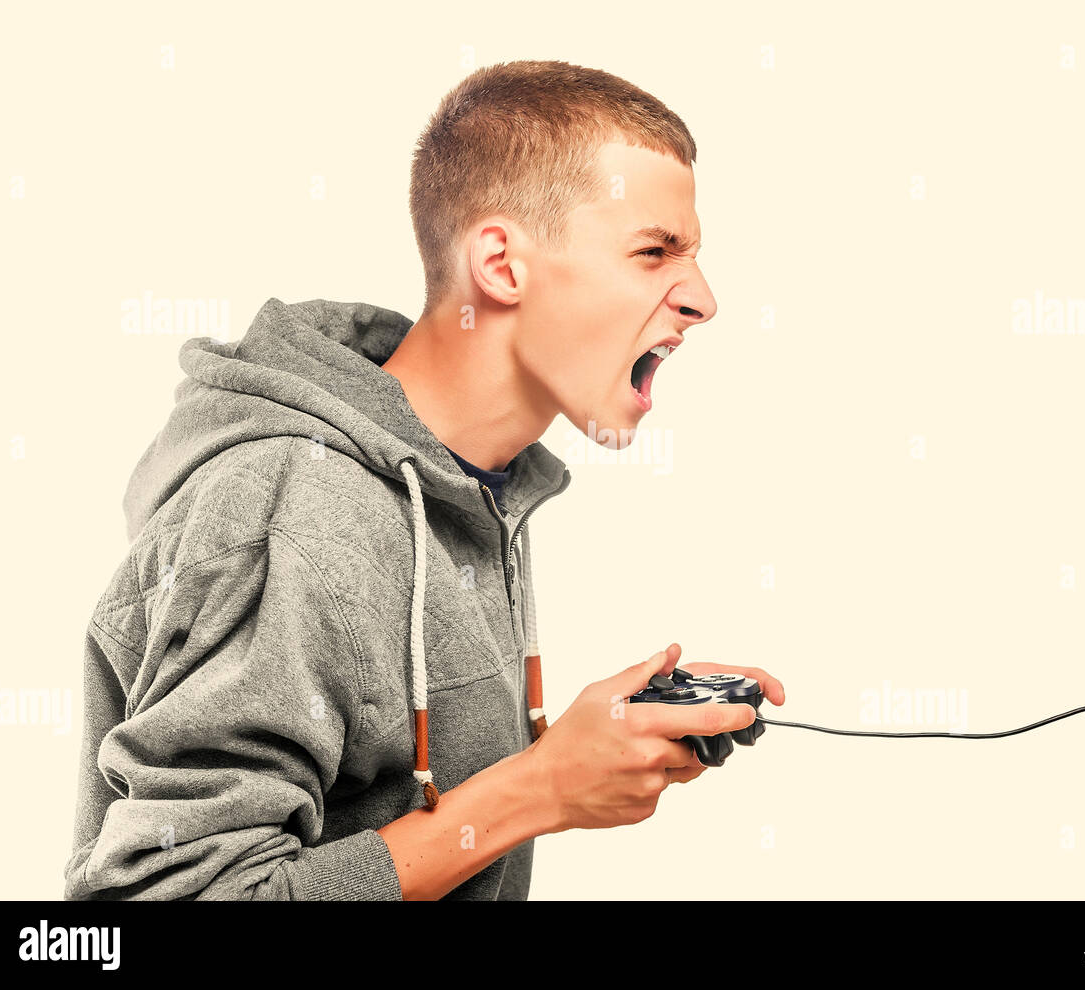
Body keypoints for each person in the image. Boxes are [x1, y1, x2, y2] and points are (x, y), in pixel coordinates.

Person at [64, 59, 784, 901]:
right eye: (654, 251)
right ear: (502, 266)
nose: (702, 297)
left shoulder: (472, 492)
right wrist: (540, 789)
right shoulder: (293, 511)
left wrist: (583, 759)